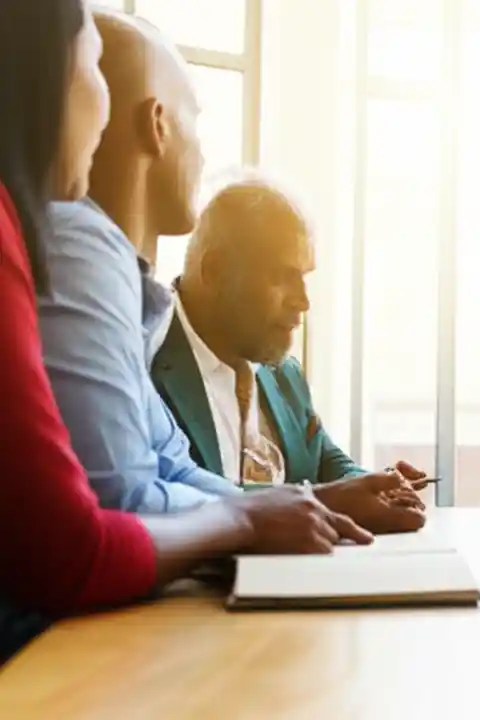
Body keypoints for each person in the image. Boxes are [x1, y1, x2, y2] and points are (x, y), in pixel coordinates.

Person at [0, 0, 372, 663]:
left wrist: (292, 508)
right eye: (90, 71)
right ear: (159, 123)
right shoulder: (74, 242)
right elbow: (106, 515)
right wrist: (245, 519)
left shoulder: (99, 263)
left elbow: (167, 465)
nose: (102, 104)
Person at [41, 11, 422, 528]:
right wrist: (257, 521)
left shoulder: (146, 316)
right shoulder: (90, 271)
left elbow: (173, 474)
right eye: (195, 120)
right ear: (157, 124)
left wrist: (358, 491)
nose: (303, 302)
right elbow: (124, 502)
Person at [151, 178, 427, 533]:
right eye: (283, 276)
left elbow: (326, 462)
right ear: (215, 270)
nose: (303, 301)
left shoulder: (283, 372)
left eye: (305, 277)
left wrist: (379, 487)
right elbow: (170, 496)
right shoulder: (144, 359)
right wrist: (325, 499)